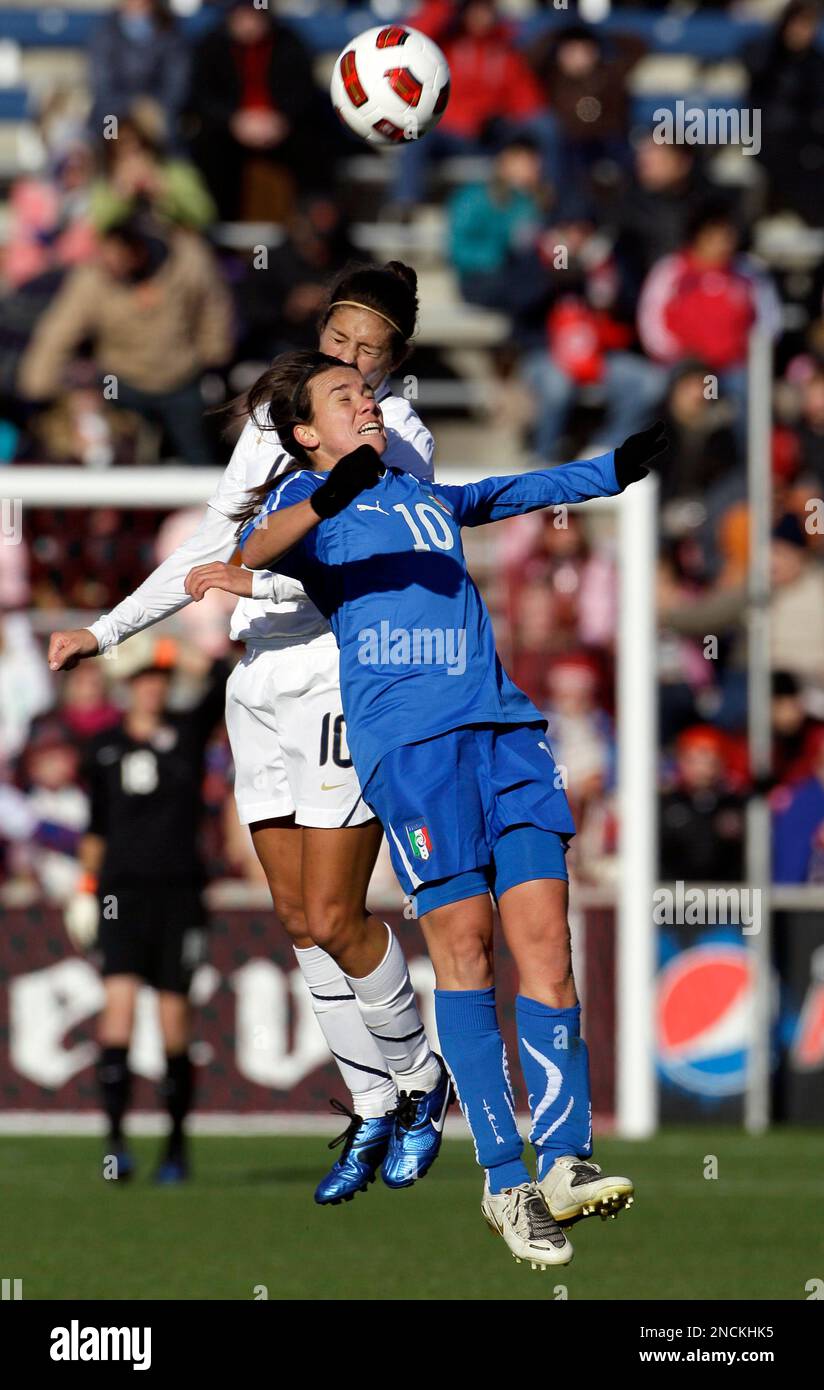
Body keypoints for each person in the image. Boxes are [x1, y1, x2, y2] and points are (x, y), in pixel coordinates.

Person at [189, 350, 664, 1269]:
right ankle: (503, 1177)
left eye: (366, 391)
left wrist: (614, 469)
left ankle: (566, 1158)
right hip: (413, 752)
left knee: (546, 945)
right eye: (343, 397)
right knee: (466, 950)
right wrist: (332, 493)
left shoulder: (419, 491)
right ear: (304, 434)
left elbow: (506, 491)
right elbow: (246, 554)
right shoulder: (311, 514)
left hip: (506, 731)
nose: (365, 402)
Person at [47, 262, 448, 1206]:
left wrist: (258, 579)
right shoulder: (280, 424)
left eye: (369, 350)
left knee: (342, 914)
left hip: (337, 678)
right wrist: (106, 630)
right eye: (339, 340)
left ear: (397, 361)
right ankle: (368, 1104)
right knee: (302, 923)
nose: (349, 358)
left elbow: (381, 544)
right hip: (258, 681)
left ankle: (422, 1082)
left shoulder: (404, 440)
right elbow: (209, 546)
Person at [65, 639, 227, 1181]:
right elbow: (96, 827)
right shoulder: (105, 745)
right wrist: (87, 890)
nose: (153, 686)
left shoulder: (185, 732)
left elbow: (222, 673)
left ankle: (177, 1147)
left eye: (159, 679)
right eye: (143, 678)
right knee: (118, 1010)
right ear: (128, 687)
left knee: (174, 1018)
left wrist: (165, 647)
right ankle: (115, 1143)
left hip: (179, 893)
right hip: (119, 895)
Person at [17, 214, 233, 465]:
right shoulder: (92, 278)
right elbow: (58, 331)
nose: (112, 262)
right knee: (109, 445)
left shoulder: (187, 261)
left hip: (182, 376)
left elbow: (215, 309)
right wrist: (37, 386)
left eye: (120, 255)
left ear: (140, 250)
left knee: (198, 455)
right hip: (120, 380)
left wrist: (213, 353)